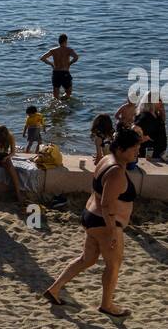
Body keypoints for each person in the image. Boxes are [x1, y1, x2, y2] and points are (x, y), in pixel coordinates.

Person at [44, 127, 141, 317]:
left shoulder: (107, 159)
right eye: (134, 149)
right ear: (121, 149)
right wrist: (113, 231)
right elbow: (106, 205)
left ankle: (54, 289)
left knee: (87, 259)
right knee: (113, 265)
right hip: (105, 223)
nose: (137, 153)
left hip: (91, 216)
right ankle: (107, 305)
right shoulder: (116, 172)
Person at [0, 125, 23, 205]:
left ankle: (18, 195)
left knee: (13, 172)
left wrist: (6, 157)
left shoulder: (10, 136)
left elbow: (13, 152)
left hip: (5, 156)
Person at [40, 34, 78, 100]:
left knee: (55, 95)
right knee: (68, 93)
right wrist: (69, 63)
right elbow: (76, 57)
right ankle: (63, 103)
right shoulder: (68, 50)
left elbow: (42, 58)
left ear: (59, 41)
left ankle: (58, 103)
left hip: (56, 73)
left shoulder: (53, 50)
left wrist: (51, 64)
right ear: (66, 41)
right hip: (65, 73)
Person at [135, 96, 167, 162]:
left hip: (158, 153)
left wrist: (162, 112)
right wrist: (143, 138)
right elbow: (134, 134)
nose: (161, 102)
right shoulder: (146, 117)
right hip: (149, 155)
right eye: (159, 100)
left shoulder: (156, 115)